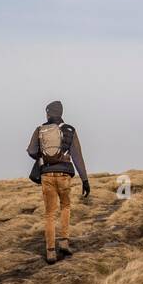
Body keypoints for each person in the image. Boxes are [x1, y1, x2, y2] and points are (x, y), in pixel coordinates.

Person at [27, 100, 90, 264]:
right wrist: (85, 180)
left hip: (47, 175)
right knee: (65, 206)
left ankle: (50, 253)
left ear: (49, 113)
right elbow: (77, 157)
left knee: (49, 213)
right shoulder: (70, 130)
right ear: (61, 113)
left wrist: (44, 155)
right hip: (64, 175)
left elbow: (32, 151)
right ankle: (64, 243)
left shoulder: (40, 130)